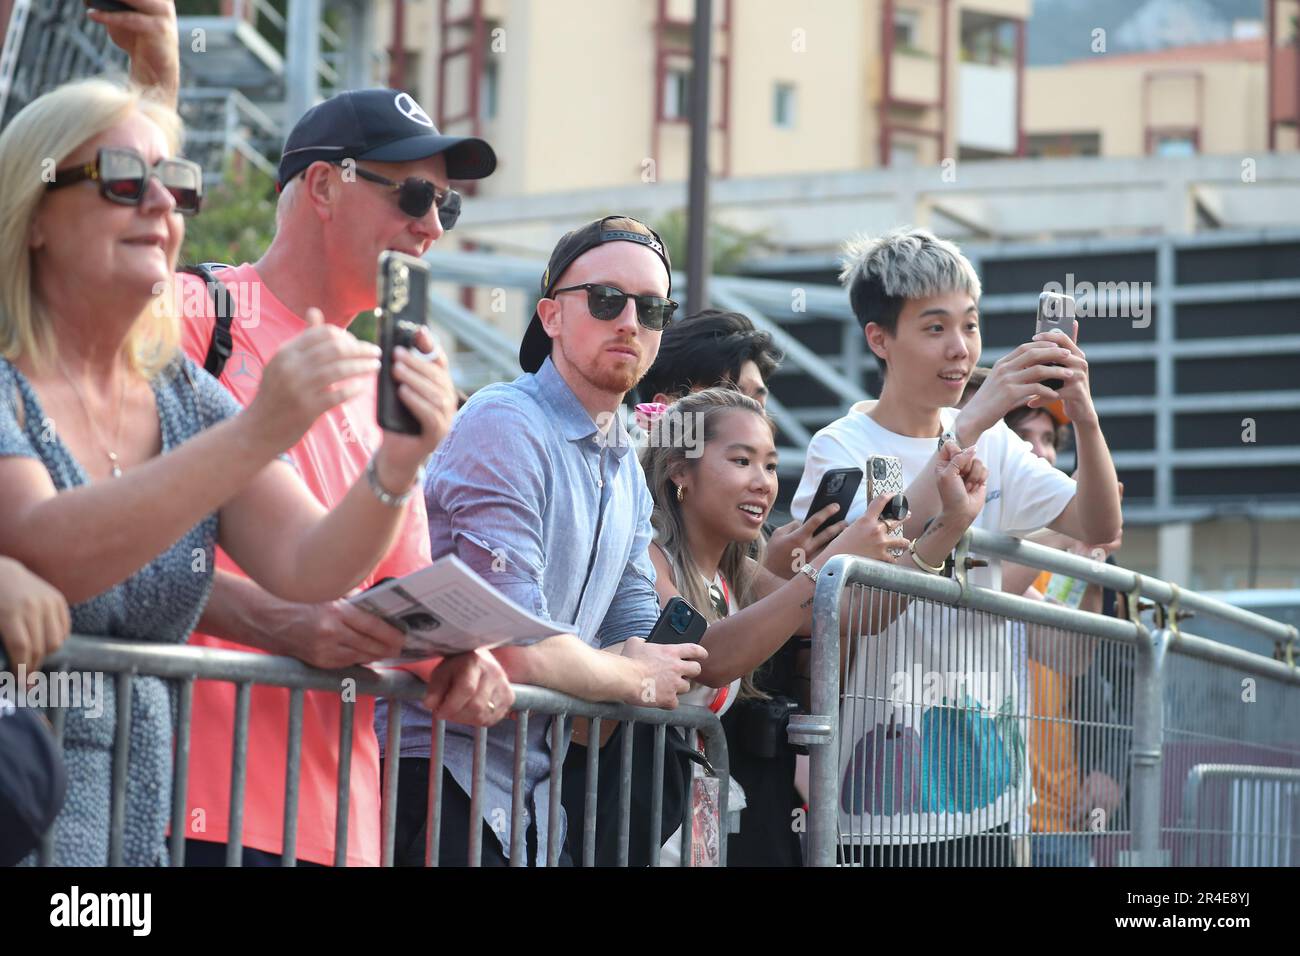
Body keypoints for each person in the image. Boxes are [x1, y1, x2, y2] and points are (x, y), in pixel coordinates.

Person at [0, 76, 454, 866]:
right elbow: (48, 546)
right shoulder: (15, 375)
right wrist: (257, 431)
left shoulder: (180, 393)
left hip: (133, 830)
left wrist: (397, 464)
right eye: (123, 179)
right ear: (33, 213)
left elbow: (309, 565)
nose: (160, 204)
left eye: (176, 184)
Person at [107, 3, 510, 868]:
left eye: (446, 204)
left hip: (338, 825)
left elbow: (395, 588)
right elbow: (99, 539)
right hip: (185, 802)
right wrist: (277, 624)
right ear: (324, 188)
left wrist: (454, 659)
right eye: (413, 195)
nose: (433, 225)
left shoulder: (391, 378)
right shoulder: (196, 312)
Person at [380, 215, 708, 866]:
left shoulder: (624, 462)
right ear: (551, 316)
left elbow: (634, 629)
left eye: (652, 308)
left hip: (532, 790)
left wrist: (629, 667)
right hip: (435, 769)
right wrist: (629, 675)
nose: (630, 322)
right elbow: (514, 643)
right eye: (607, 300)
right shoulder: (507, 422)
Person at [793, 226, 1122, 865]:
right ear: (879, 339)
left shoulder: (994, 441)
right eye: (935, 328)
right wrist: (971, 422)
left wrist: (1083, 414)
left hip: (995, 792)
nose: (961, 348)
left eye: (970, 325)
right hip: (883, 803)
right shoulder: (841, 446)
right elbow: (872, 561)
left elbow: (1096, 521)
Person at [638, 386, 986, 865]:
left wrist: (949, 525)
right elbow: (707, 658)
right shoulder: (648, 554)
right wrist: (828, 562)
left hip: (692, 806)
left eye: (770, 466)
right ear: (680, 470)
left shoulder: (738, 571)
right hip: (634, 806)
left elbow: (858, 615)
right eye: (741, 461)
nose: (763, 483)